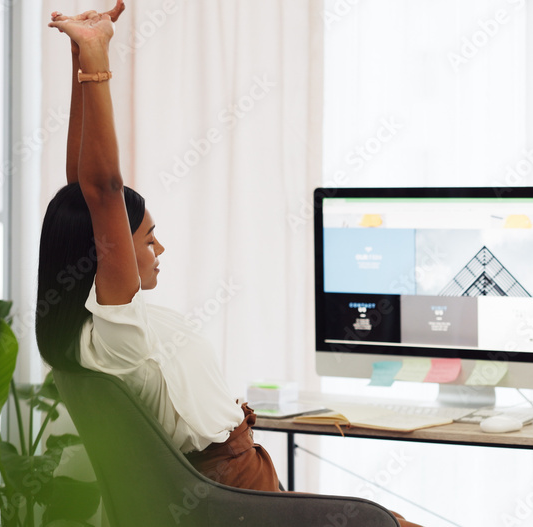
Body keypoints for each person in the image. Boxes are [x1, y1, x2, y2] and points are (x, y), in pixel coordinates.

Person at [37, 4, 421, 526]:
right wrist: (100, 57)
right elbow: (100, 192)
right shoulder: (118, 334)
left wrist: (82, 59)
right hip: (230, 490)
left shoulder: (85, 332)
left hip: (225, 488)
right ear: (107, 254)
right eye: (148, 239)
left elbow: (82, 191)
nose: (159, 250)